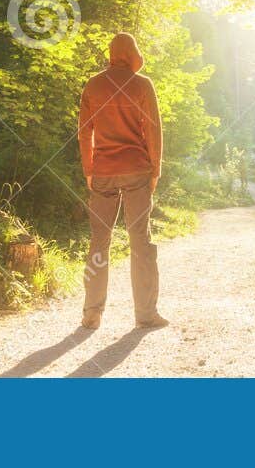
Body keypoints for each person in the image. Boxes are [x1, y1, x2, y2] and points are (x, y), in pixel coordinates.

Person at [77, 32, 167, 329]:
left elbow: (84, 132)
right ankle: (145, 314)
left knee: (99, 241)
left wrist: (89, 169)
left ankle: (92, 312)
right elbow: (153, 131)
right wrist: (155, 170)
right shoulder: (142, 85)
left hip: (102, 171)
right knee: (139, 239)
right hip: (136, 170)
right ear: (133, 54)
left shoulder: (93, 85)